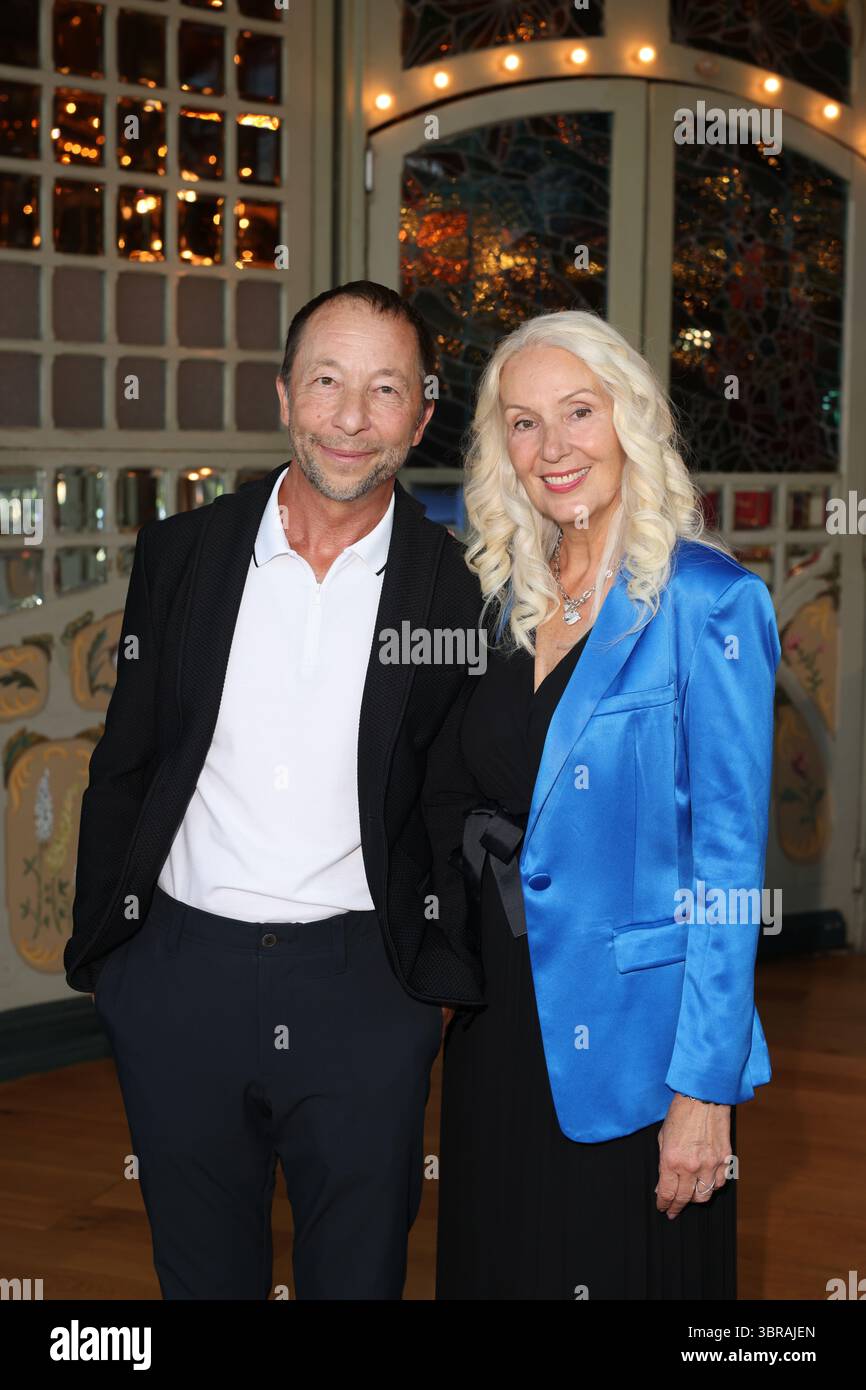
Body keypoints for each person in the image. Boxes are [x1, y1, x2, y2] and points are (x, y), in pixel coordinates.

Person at [64, 280, 486, 1300]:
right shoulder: (184, 555)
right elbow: (127, 758)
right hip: (178, 975)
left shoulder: (460, 584)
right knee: (200, 1281)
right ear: (283, 396)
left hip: (363, 987)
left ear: (421, 415)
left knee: (356, 1278)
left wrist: (423, 995)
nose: (351, 418)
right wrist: (116, 963)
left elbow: (460, 801)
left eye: (384, 391)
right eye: (326, 383)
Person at [425, 309, 781, 1300]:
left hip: (633, 1053)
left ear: (629, 416)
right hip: (494, 1030)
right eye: (522, 421)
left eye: (577, 411)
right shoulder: (502, 595)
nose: (552, 447)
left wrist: (703, 1091)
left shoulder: (707, 602)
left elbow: (725, 870)